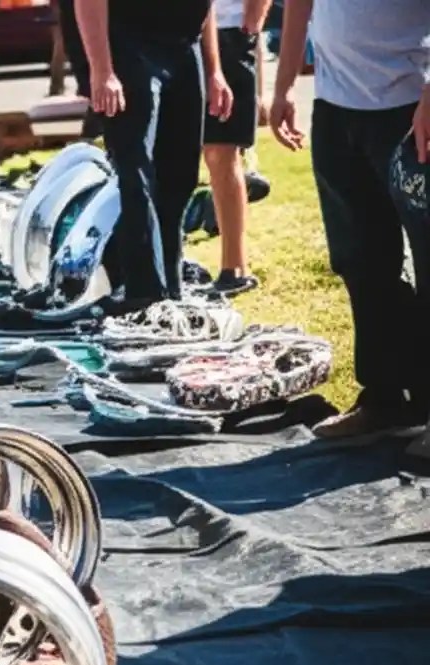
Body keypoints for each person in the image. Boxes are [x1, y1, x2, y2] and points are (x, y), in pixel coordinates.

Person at [269, 0, 430, 438]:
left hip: (411, 107)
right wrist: (283, 86)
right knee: (361, 260)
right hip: (337, 111)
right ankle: (385, 399)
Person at [73, 0, 233, 310]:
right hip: (130, 45)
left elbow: (205, 8)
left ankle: (171, 286)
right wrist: (102, 70)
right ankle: (144, 291)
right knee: (136, 172)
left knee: (181, 174)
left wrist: (214, 71)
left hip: (185, 47)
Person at [203, 0, 272, 296]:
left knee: (221, 152)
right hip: (177, 31)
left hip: (229, 31)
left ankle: (234, 267)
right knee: (170, 154)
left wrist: (252, 22)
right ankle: (165, 264)